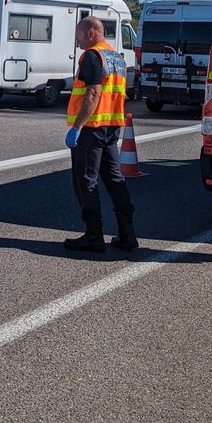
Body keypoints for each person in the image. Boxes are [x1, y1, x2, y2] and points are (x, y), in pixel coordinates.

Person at [64, 16, 137, 253]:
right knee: (115, 179)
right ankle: (128, 235)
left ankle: (94, 235)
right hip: (111, 127)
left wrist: (77, 127)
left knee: (86, 180)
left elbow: (93, 94)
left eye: (80, 36)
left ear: (91, 32)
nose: (79, 42)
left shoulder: (93, 56)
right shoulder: (117, 58)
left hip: (91, 129)